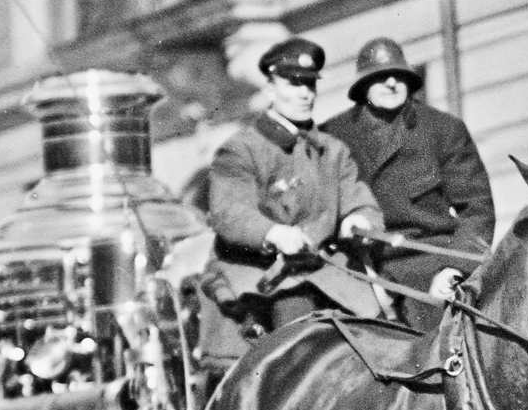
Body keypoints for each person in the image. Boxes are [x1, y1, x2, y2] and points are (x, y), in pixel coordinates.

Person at [205, 37, 384, 333]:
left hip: (324, 270)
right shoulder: (241, 149)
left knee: (380, 328)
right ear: (269, 87)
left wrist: (358, 220)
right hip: (264, 276)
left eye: (310, 85)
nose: (304, 94)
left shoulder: (332, 150)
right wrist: (273, 232)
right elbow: (229, 212)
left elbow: (358, 199)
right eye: (293, 84)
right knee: (300, 334)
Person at [321, 37, 495, 331]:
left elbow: (477, 209)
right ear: (363, 86)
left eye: (398, 75)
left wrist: (455, 268)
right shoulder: (333, 135)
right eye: (379, 77)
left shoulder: (443, 129)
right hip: (359, 261)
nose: (390, 83)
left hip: (430, 256)